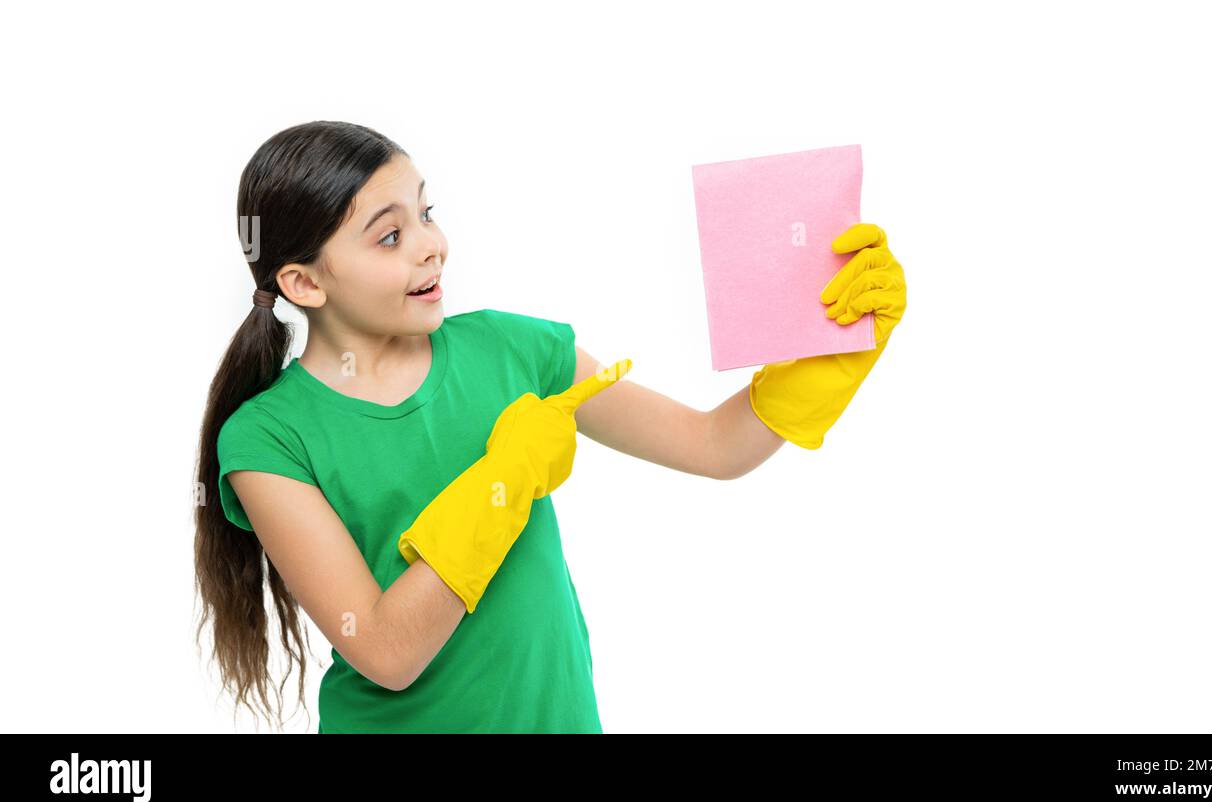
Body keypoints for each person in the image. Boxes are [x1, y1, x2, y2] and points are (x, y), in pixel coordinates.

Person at [191, 120, 907, 733]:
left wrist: (831, 355)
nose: (431, 244)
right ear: (305, 283)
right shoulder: (267, 439)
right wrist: (502, 481)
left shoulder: (516, 350)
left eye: (426, 211)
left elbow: (714, 446)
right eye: (388, 236)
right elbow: (385, 651)